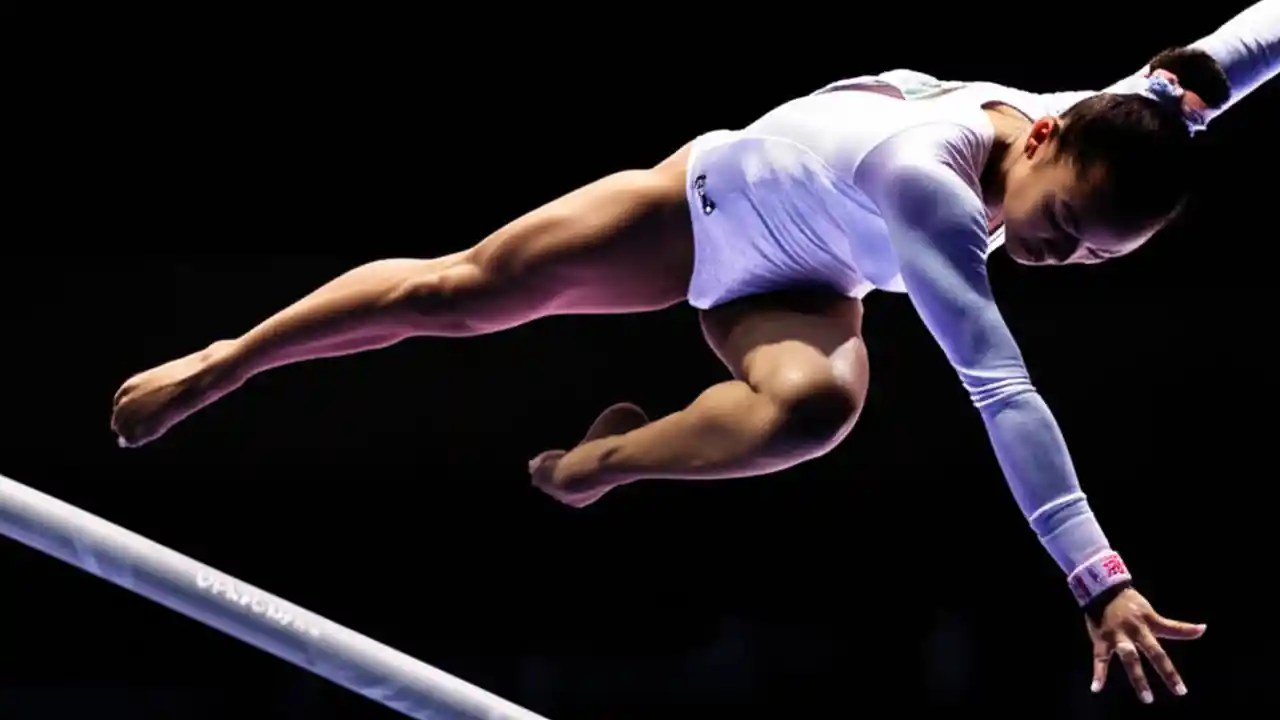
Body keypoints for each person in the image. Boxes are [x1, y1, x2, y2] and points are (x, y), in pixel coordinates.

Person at [111, 1, 1279, 705]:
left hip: (807, 286)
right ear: (1041, 133)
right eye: (1056, 222)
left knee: (814, 411)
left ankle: (589, 468)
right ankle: (229, 362)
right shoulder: (926, 182)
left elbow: (1253, 36)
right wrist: (1098, 577)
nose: (1050, 250)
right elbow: (997, 385)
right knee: (453, 290)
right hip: (693, 210)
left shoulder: (1136, 117)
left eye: (1088, 258)